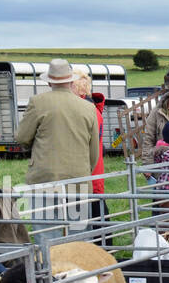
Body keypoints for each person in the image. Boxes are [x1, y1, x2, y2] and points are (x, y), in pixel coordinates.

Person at [16, 58, 101, 243]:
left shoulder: (38, 102)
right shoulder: (88, 107)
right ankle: (79, 271)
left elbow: (22, 138)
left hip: (45, 178)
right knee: (78, 235)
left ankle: (50, 271)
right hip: (78, 177)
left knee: (47, 234)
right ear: (71, 81)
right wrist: (83, 170)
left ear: (49, 81)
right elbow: (94, 151)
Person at [70, 68, 108, 232]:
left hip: (86, 173)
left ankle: (102, 251)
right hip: (92, 172)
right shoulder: (91, 109)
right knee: (97, 212)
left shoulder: (85, 111)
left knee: (91, 216)